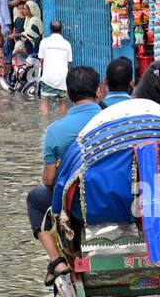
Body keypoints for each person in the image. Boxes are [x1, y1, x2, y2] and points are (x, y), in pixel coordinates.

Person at [26, 65, 103, 285]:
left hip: (76, 205)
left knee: (35, 199)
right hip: (116, 196)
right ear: (98, 90)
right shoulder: (113, 121)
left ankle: (57, 260)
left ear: (68, 94)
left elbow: (49, 180)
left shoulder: (55, 131)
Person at [37, 19, 73, 113]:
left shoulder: (44, 42)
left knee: (45, 102)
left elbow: (41, 60)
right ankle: (63, 122)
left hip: (48, 78)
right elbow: (68, 63)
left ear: (50, 29)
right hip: (62, 79)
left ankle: (45, 124)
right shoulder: (67, 44)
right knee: (63, 102)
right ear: (61, 29)